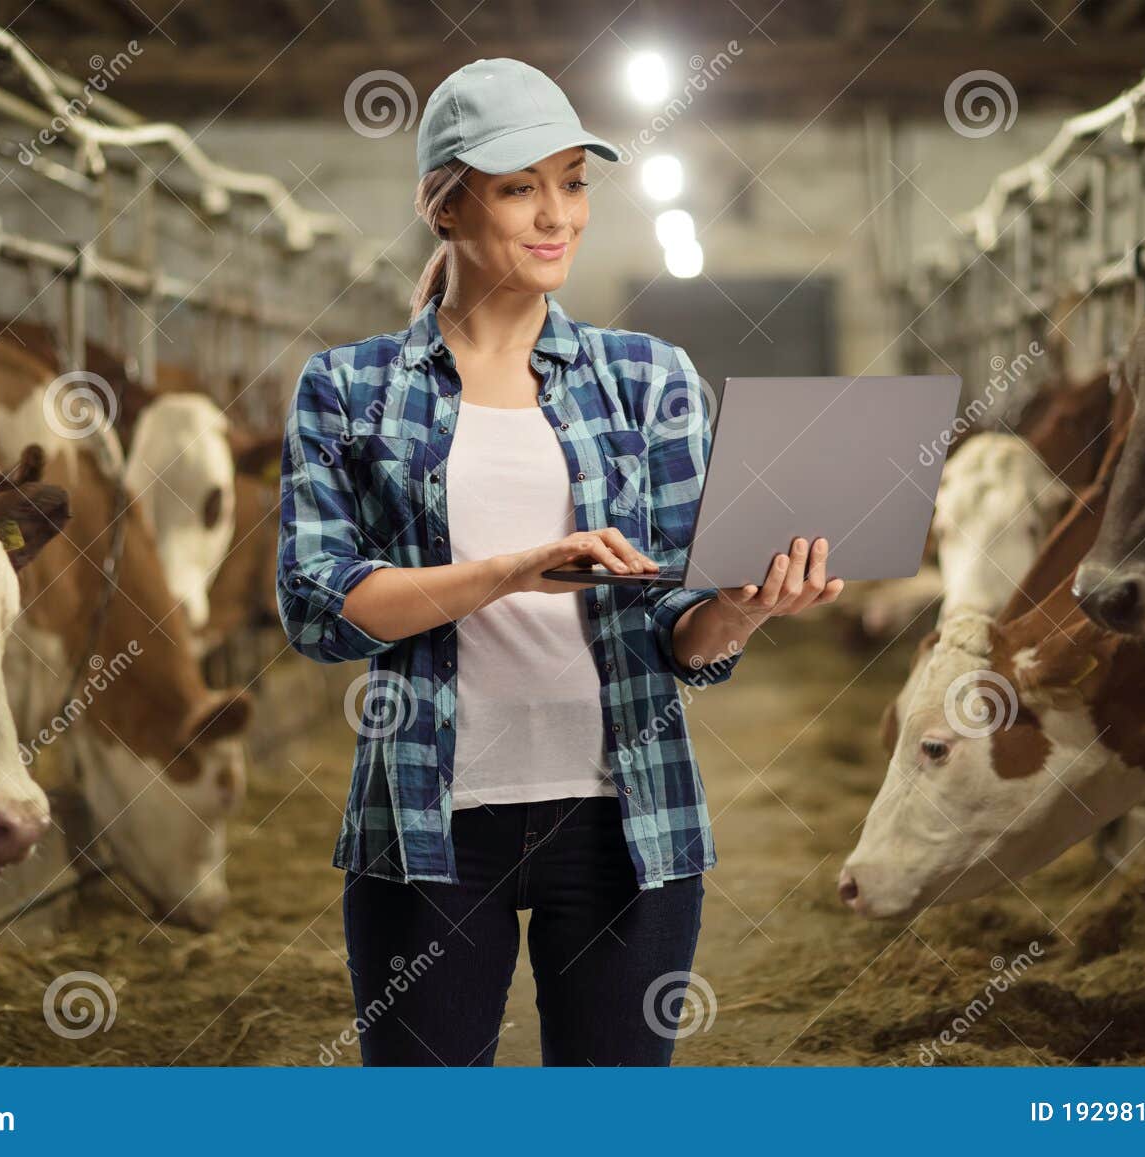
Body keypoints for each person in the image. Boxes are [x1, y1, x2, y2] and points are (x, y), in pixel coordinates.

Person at [276, 57, 844, 1066]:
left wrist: (750, 606)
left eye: (573, 182)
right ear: (442, 204)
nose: (557, 216)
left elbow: (683, 629)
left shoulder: (648, 378)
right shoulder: (348, 386)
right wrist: (507, 570)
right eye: (517, 187)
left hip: (628, 820)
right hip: (427, 823)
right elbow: (320, 607)